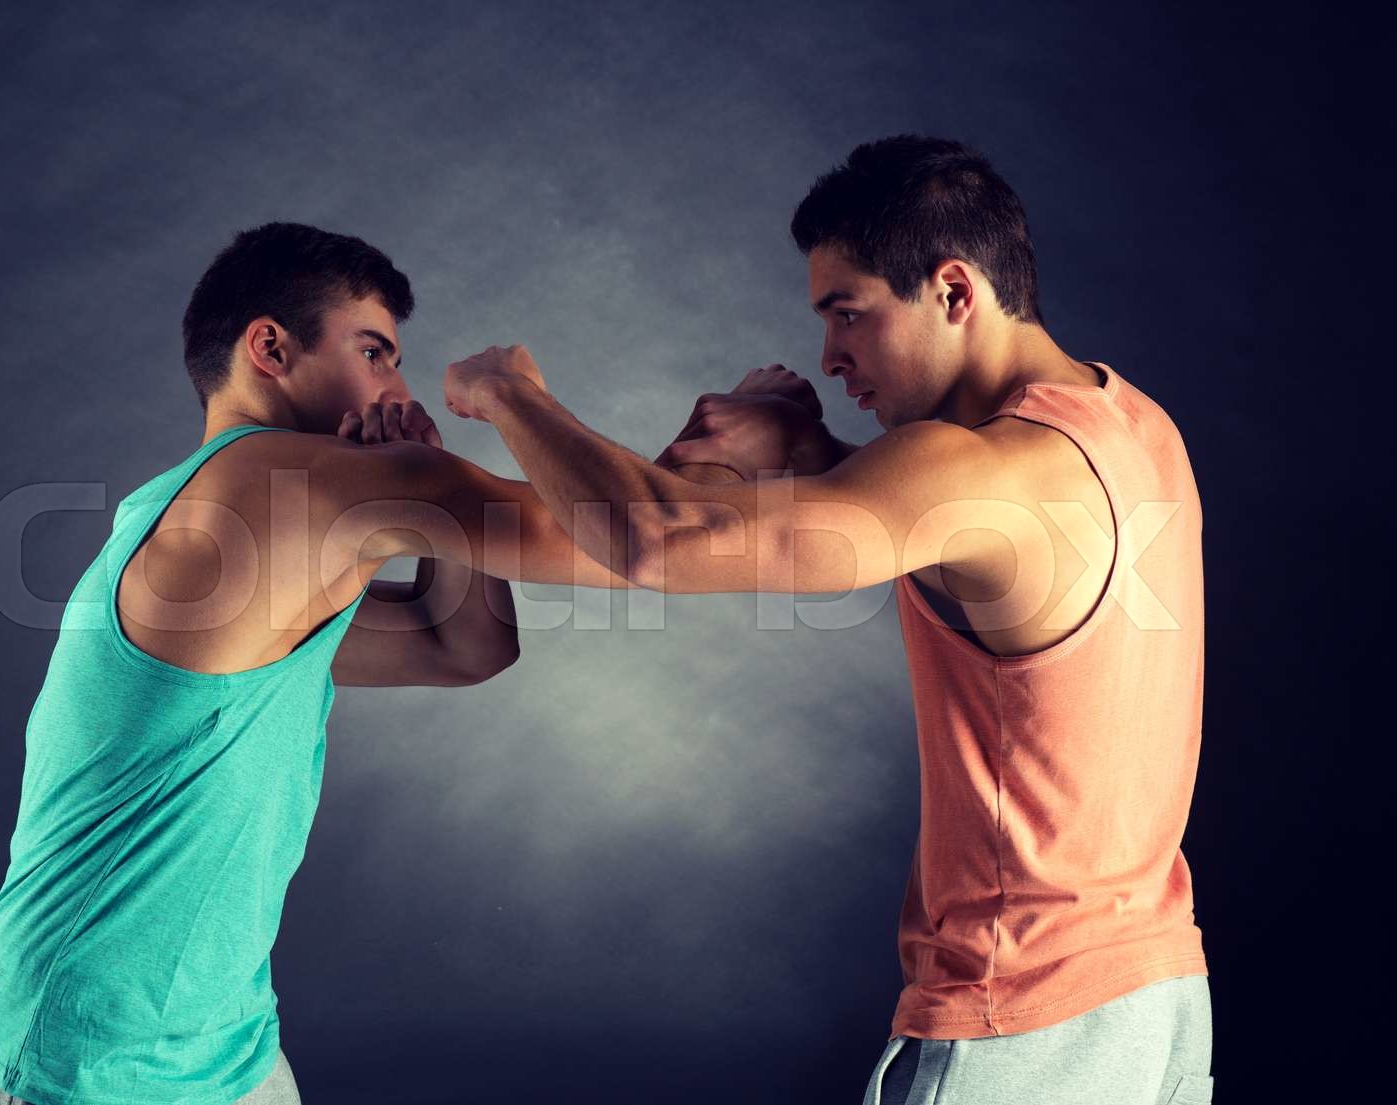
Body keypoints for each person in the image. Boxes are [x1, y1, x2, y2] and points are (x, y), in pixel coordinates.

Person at [0, 223, 824, 1105]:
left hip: (222, 1051)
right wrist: (734, 432)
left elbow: (463, 645)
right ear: (270, 348)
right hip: (67, 1063)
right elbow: (648, 535)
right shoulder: (270, 484)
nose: (395, 384)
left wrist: (424, 475)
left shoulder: (225, 523)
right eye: (374, 353)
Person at [440, 135, 1213, 1105]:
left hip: (1025, 1018)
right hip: (1153, 998)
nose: (830, 355)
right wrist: (815, 454)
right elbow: (974, 540)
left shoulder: (976, 471)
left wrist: (510, 396)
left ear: (954, 291)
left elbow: (653, 538)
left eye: (849, 314)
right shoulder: (1130, 422)